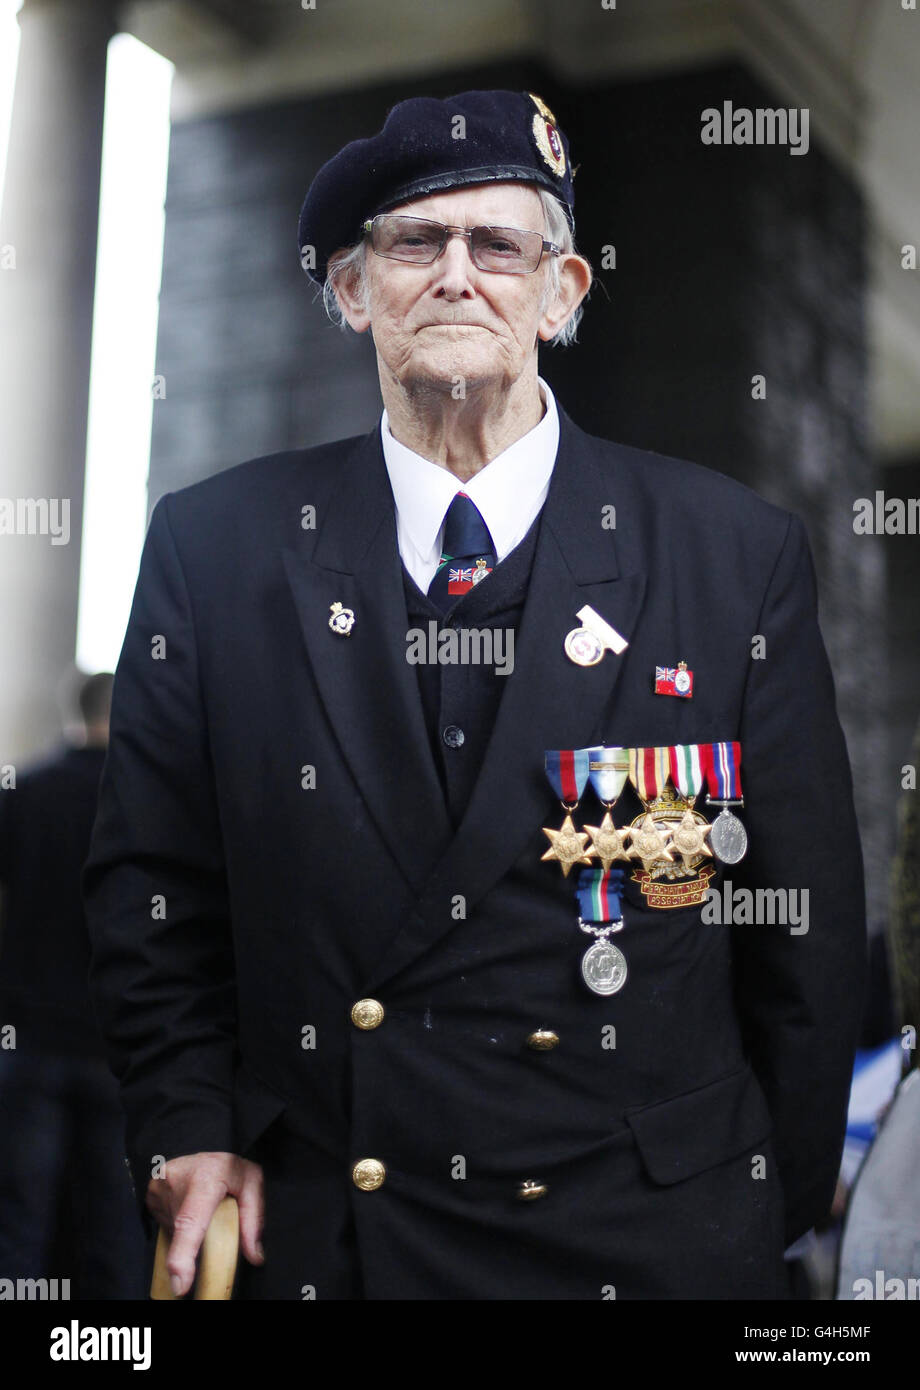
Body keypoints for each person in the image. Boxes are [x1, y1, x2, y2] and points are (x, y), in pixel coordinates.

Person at [83, 89, 867, 1300]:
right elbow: (154, 891)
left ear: (560, 295)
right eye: (413, 243)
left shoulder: (727, 554)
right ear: (352, 293)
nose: (456, 275)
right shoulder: (216, 549)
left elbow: (795, 926)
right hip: (340, 1239)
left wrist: (756, 1205)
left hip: (642, 1243)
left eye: (498, 246)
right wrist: (187, 1117)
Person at [0, 671, 145, 1298]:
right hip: (120, 1049)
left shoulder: (24, 793)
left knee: (19, 1223)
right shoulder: (148, 805)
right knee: (116, 1229)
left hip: (27, 1040)